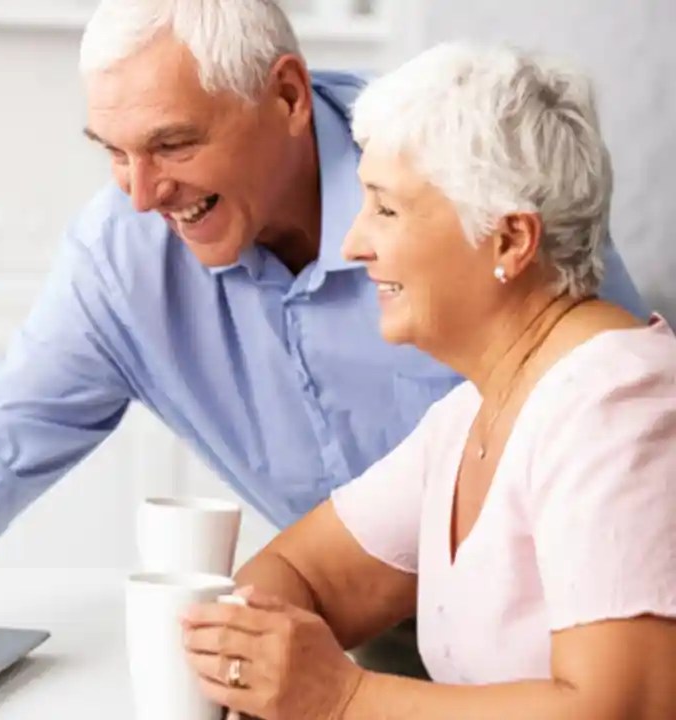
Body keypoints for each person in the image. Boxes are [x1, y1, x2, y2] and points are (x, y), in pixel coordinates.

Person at [0, 0, 646, 676]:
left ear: (288, 96)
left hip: (554, 646)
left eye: (173, 143)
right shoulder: (125, 250)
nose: (140, 194)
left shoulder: (463, 199)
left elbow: (599, 425)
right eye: (113, 153)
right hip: (348, 637)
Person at [180, 42, 676, 719]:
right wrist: (250, 655)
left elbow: (622, 709)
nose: (354, 244)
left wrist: (341, 697)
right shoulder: (474, 411)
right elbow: (303, 574)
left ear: (509, 241)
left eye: (386, 209)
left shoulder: (616, 403)